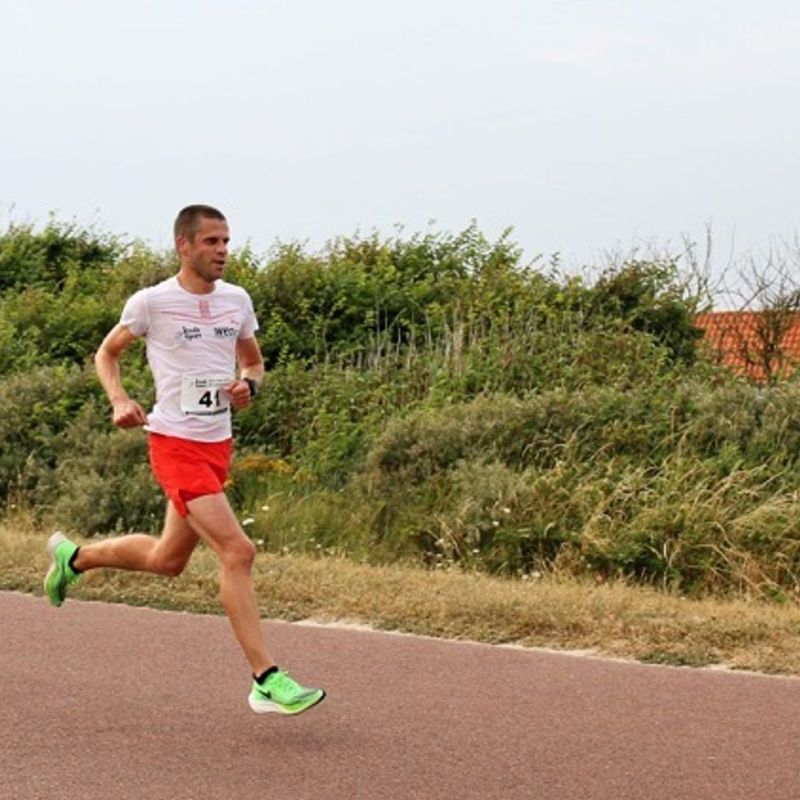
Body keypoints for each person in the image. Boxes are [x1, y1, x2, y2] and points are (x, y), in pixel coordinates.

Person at [43, 204, 325, 716]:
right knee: (238, 552)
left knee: (166, 561)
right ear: (184, 246)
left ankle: (75, 558)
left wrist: (249, 388)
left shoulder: (236, 301)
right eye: (212, 242)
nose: (223, 251)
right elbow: (107, 354)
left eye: (226, 241)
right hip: (172, 443)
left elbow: (254, 362)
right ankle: (266, 678)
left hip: (217, 444)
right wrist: (120, 401)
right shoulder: (152, 303)